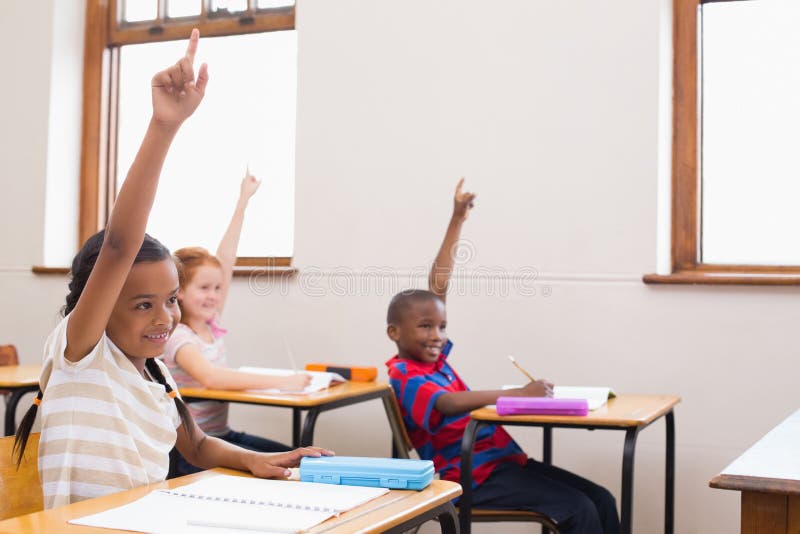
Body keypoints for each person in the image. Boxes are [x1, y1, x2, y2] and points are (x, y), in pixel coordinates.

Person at [13, 29, 331, 509]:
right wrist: (164, 126)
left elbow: (197, 445)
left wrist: (253, 460)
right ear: (94, 304)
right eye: (143, 305)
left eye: (170, 301)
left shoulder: (158, 375)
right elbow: (120, 245)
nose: (165, 317)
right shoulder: (83, 354)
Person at [385, 179, 619, 533]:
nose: (437, 335)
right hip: (468, 476)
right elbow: (446, 403)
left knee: (601, 499)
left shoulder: (435, 362)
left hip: (502, 463)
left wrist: (457, 218)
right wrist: (517, 394)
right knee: (580, 509)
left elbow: (439, 287)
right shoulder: (404, 373)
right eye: (425, 327)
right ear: (395, 333)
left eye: (442, 326)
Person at [162, 171, 309, 475]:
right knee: (284, 468)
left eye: (217, 288)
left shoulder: (211, 322)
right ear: (180, 292)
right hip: (192, 448)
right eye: (204, 288)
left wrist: (243, 201)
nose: (214, 295)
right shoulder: (179, 336)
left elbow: (225, 259)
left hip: (222, 437)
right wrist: (284, 382)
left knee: (300, 461)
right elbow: (211, 378)